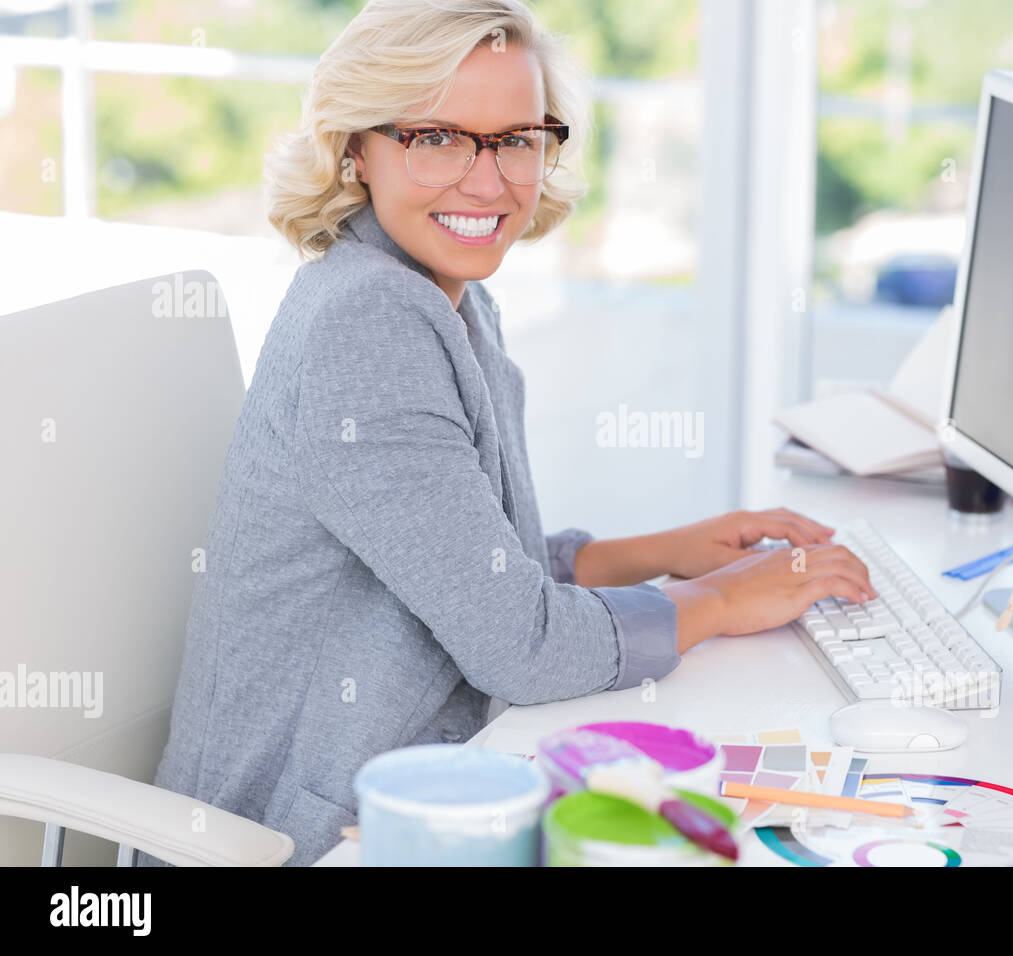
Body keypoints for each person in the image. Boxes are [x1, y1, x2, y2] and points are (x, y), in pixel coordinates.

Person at [145, 0, 873, 866]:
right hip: (300, 835)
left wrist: (675, 551)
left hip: (430, 777)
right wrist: (722, 602)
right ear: (356, 148)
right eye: (437, 137)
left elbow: (492, 571)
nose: (488, 183)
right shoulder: (368, 326)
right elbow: (524, 647)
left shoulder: (447, 296)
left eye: (517, 138)